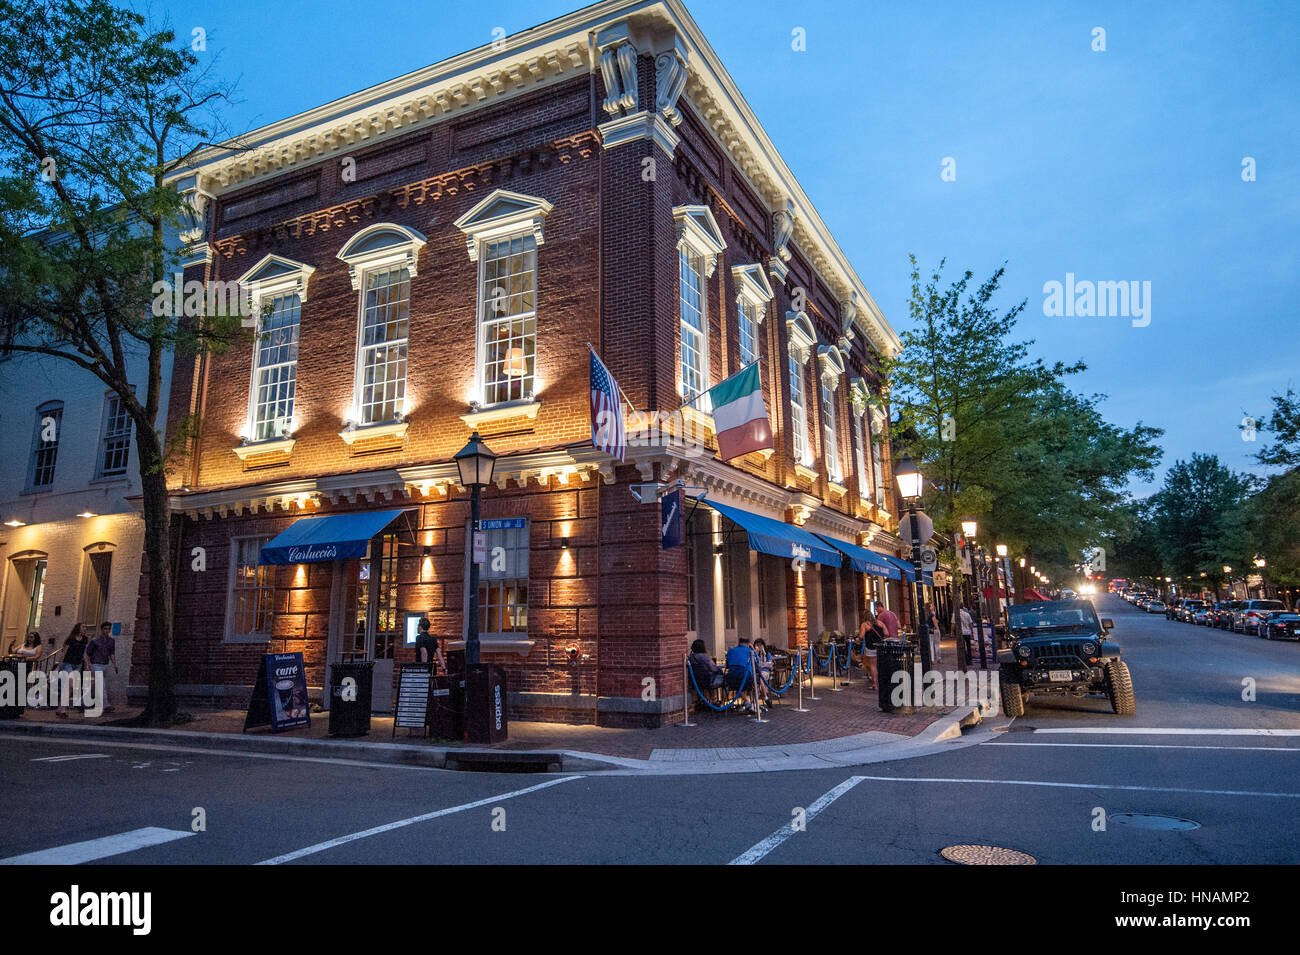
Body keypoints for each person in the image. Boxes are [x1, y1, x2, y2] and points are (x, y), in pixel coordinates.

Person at [55, 624, 90, 718]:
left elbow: (84, 653)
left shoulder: (85, 639)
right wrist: (59, 666)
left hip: (77, 665)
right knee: (70, 685)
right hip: (67, 664)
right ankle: (63, 710)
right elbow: (64, 653)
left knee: (68, 687)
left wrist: (87, 664)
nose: (85, 629)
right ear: (78, 629)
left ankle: (59, 708)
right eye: (83, 627)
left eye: (86, 627)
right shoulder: (70, 639)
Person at [86, 622, 118, 714]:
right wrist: (88, 665)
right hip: (96, 665)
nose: (107, 630)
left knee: (96, 686)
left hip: (105, 665)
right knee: (101, 686)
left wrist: (115, 664)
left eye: (108, 629)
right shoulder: (94, 640)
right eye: (105, 629)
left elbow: (111, 653)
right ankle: (106, 705)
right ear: (101, 629)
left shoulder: (111, 641)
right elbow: (87, 653)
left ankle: (82, 702)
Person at [724, 636, 758, 711]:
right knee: (747, 679)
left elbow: (727, 665)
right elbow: (757, 662)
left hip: (731, 679)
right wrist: (753, 649)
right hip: (745, 678)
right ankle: (746, 702)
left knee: (740, 680)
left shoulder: (730, 651)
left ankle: (745, 701)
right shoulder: (750, 651)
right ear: (748, 644)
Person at [855, 613, 886, 689]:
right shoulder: (880, 623)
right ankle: (883, 682)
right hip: (881, 646)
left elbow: (861, 636)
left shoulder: (865, 624)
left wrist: (858, 640)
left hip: (871, 647)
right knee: (880, 665)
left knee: (873, 666)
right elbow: (886, 633)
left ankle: (875, 684)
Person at [753, 638, 775, 704]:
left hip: (765, 672)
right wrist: (756, 654)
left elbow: (770, 665)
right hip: (756, 672)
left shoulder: (767, 654)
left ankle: (762, 697)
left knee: (761, 679)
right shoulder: (754, 654)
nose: (758, 647)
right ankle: (763, 697)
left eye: (759, 645)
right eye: (756, 645)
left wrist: (762, 664)